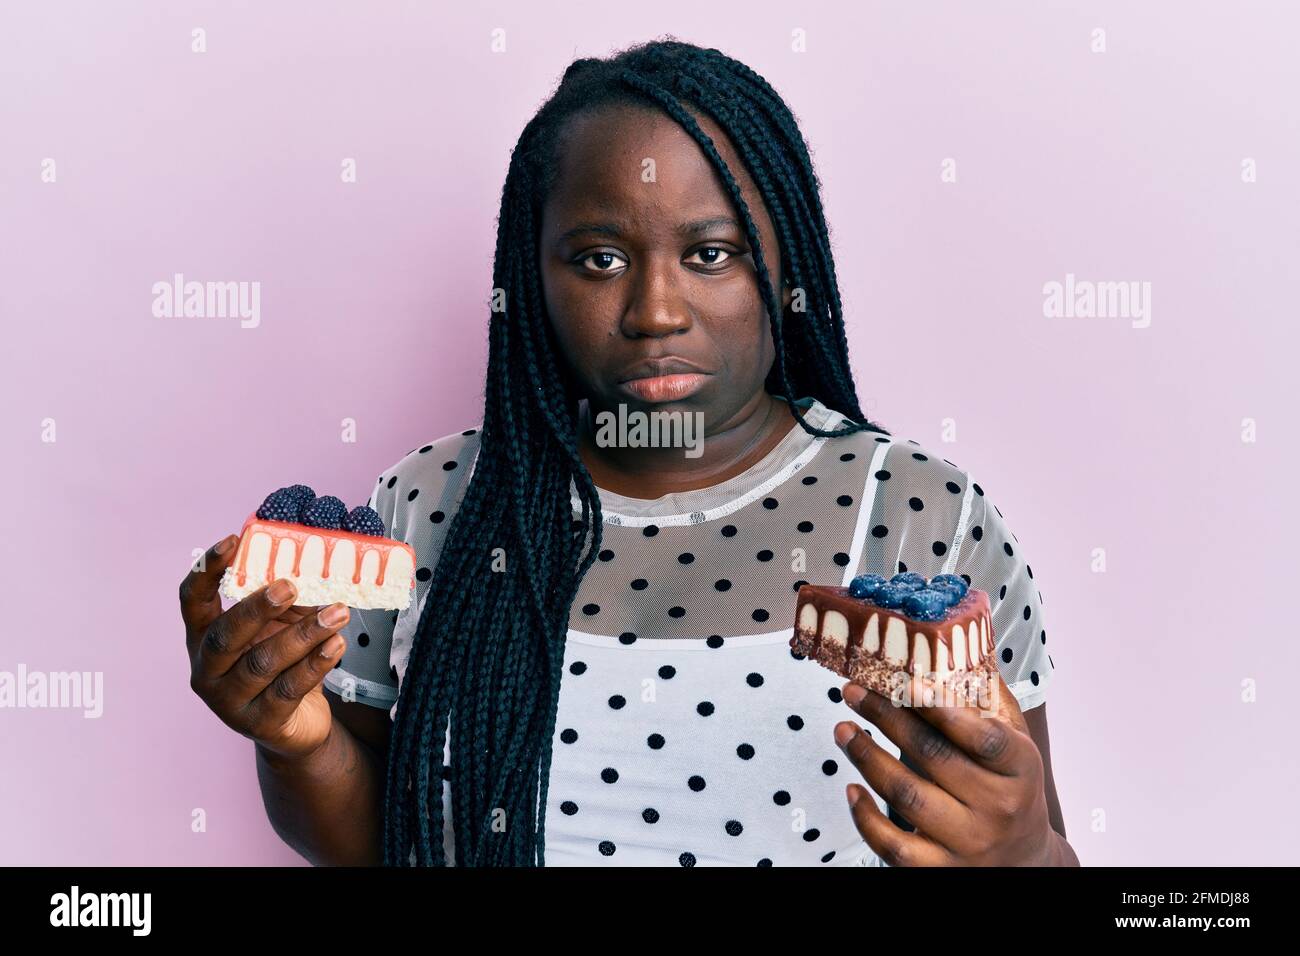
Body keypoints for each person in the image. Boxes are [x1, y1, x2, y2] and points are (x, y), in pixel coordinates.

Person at [181, 38, 1076, 867]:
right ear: (530, 278)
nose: (655, 310)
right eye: (600, 259)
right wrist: (295, 743)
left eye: (712, 253)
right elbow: (385, 842)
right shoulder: (431, 503)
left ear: (786, 263)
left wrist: (1026, 854)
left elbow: (1037, 846)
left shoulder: (920, 514)